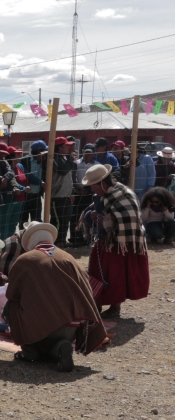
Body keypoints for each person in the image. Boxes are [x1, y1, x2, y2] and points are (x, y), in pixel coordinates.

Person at [4, 222, 107, 372]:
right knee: (56, 343)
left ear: (30, 242)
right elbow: (88, 288)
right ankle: (60, 347)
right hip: (70, 326)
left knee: (10, 307)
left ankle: (29, 351)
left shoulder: (25, 260)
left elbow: (11, 294)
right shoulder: (69, 258)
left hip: (38, 326)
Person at [81, 164, 150, 318]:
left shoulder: (124, 195)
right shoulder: (103, 196)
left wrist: (99, 218)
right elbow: (95, 215)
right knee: (97, 272)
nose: (92, 190)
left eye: (93, 186)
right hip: (105, 241)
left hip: (122, 242)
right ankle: (96, 304)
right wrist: (90, 216)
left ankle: (115, 307)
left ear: (102, 183)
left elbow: (127, 219)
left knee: (116, 275)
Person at [49, 136, 76, 247]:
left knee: (65, 220)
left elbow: (71, 177)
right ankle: (54, 243)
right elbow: (63, 170)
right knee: (57, 221)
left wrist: (72, 192)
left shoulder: (65, 158)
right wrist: (70, 158)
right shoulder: (53, 158)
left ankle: (62, 242)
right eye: (66, 146)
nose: (69, 148)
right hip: (57, 196)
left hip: (67, 196)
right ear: (60, 148)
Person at [0, 146, 27, 240]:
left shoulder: (18, 166)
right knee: (4, 223)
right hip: (7, 198)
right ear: (11, 156)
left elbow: (14, 181)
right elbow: (11, 182)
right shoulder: (3, 167)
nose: (20, 156)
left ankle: (10, 242)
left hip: (17, 197)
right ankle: (2, 242)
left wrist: (22, 188)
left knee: (13, 223)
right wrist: (22, 188)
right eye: (17, 154)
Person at [71, 144, 97, 247]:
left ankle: (88, 238)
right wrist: (78, 188)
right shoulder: (76, 163)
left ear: (94, 154)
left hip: (90, 194)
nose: (88, 155)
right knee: (75, 216)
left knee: (89, 216)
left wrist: (89, 189)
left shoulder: (97, 165)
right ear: (83, 152)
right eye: (86, 152)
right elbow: (73, 177)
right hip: (77, 193)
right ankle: (75, 238)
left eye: (90, 153)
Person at [19, 141, 47, 228]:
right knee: (23, 221)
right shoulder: (24, 161)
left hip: (37, 196)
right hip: (25, 196)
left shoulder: (45, 161)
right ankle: (23, 236)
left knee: (37, 221)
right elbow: (27, 175)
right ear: (39, 151)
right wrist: (40, 182)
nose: (46, 153)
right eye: (45, 151)